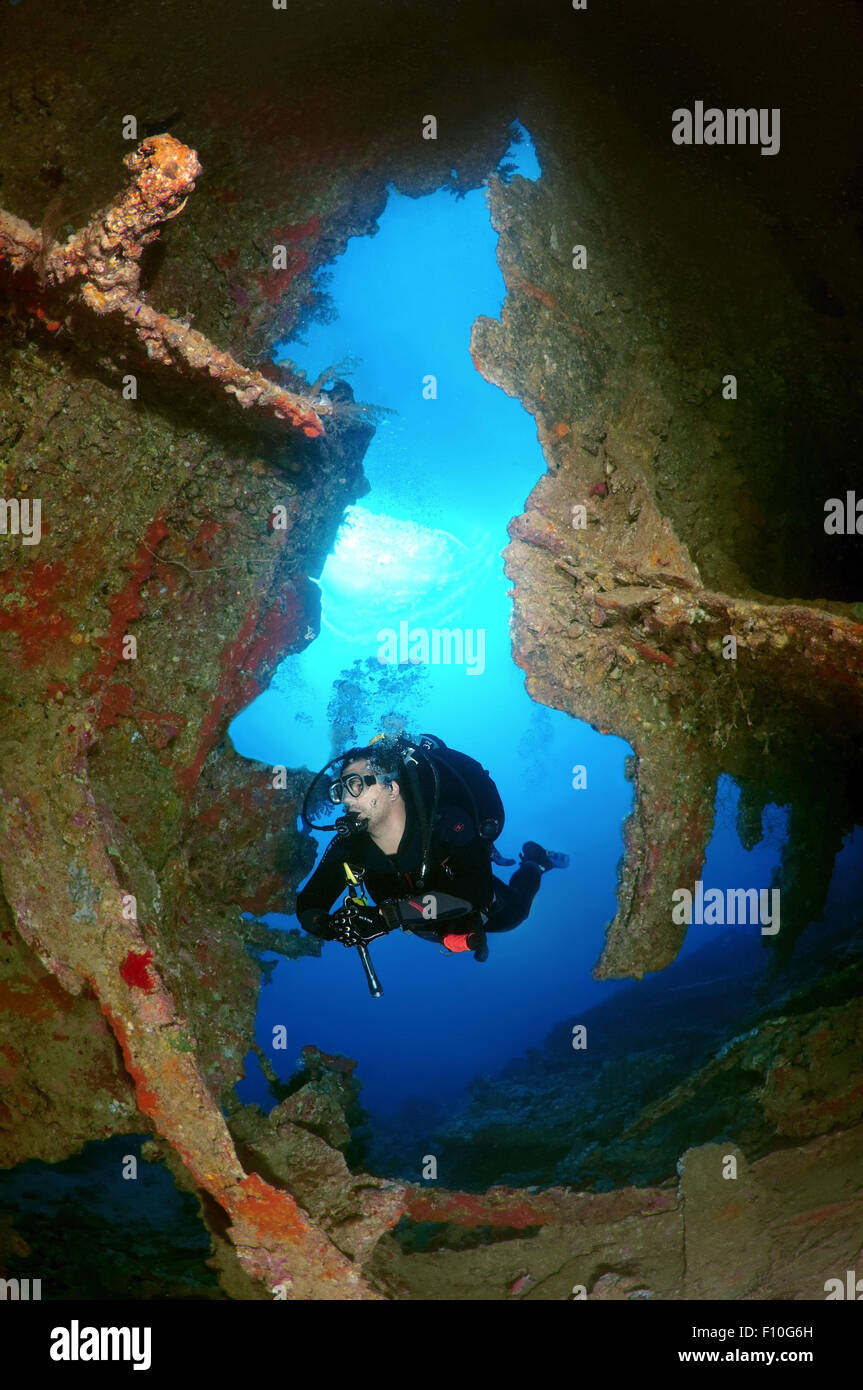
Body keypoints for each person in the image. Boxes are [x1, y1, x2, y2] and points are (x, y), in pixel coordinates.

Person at [296, 738, 568, 961]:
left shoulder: (445, 822)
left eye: (355, 785)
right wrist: (333, 927)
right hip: (424, 926)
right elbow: (310, 904)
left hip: (468, 907)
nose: (344, 799)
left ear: (391, 788)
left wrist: (386, 917)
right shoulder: (349, 847)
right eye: (339, 790)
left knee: (516, 913)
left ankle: (536, 862)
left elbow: (476, 892)